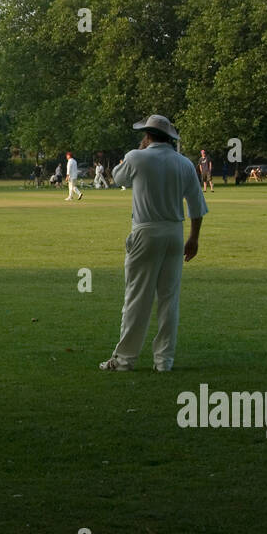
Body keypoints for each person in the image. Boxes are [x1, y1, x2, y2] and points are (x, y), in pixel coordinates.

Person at [100, 114, 207, 373]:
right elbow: (196, 205)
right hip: (174, 233)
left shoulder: (138, 157)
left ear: (147, 136)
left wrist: (136, 152)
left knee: (137, 297)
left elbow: (117, 178)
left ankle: (124, 359)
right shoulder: (183, 163)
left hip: (146, 232)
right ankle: (164, 361)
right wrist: (193, 238)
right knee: (169, 299)